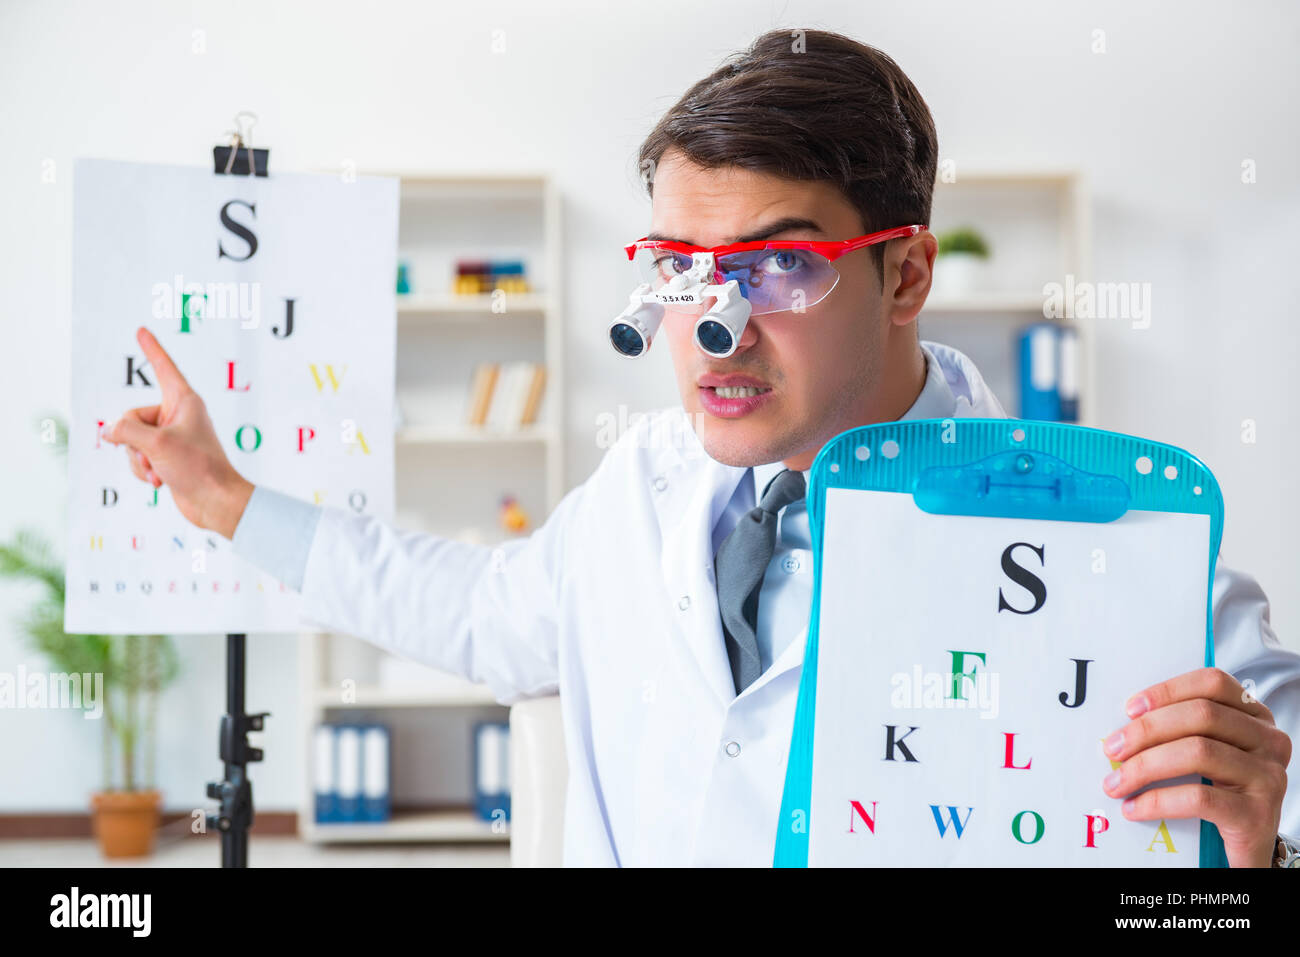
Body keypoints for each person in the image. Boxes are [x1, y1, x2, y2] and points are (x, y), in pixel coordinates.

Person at [105, 29, 1297, 867]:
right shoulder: (642, 488)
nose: (711, 325)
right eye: (680, 268)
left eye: (778, 264)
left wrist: (1251, 856)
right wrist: (227, 500)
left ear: (907, 273)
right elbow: (470, 609)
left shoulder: (1112, 546)